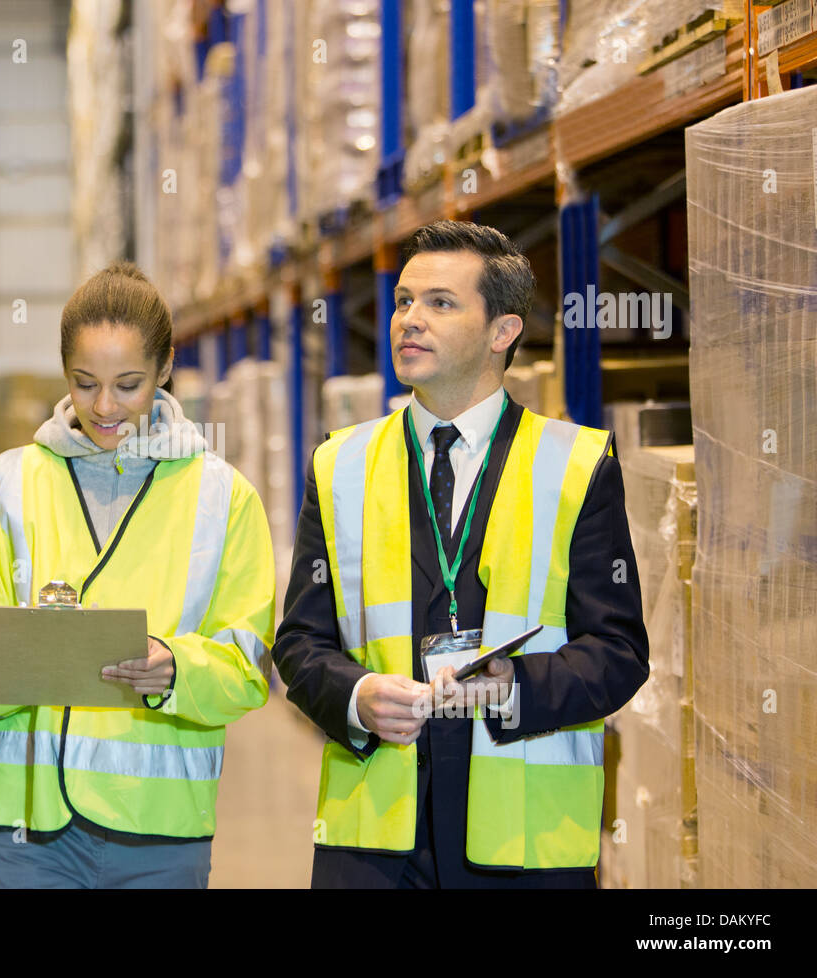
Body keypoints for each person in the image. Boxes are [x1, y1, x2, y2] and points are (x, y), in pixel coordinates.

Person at [272, 220, 649, 888]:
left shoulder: (577, 464)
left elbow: (618, 651)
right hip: (376, 842)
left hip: (522, 841)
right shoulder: (339, 465)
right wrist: (357, 696)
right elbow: (300, 643)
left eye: (440, 303)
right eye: (404, 301)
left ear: (502, 331)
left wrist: (516, 690)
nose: (410, 320)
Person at [0, 261, 274, 889]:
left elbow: (248, 665)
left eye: (129, 384)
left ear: (166, 367)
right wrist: (4, 662)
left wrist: (176, 667)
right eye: (85, 383)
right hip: (26, 823)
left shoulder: (223, 498)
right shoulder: (3, 486)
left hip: (160, 828)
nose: (105, 407)